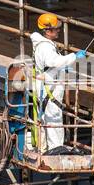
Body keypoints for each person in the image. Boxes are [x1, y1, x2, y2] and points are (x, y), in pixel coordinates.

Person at [29, 13, 86, 154]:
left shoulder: (45, 45)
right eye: (56, 29)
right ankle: (55, 149)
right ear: (47, 31)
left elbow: (53, 63)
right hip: (50, 89)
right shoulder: (45, 47)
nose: (58, 31)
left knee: (45, 118)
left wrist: (62, 67)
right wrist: (74, 56)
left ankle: (45, 148)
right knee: (53, 119)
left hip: (46, 88)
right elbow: (54, 61)